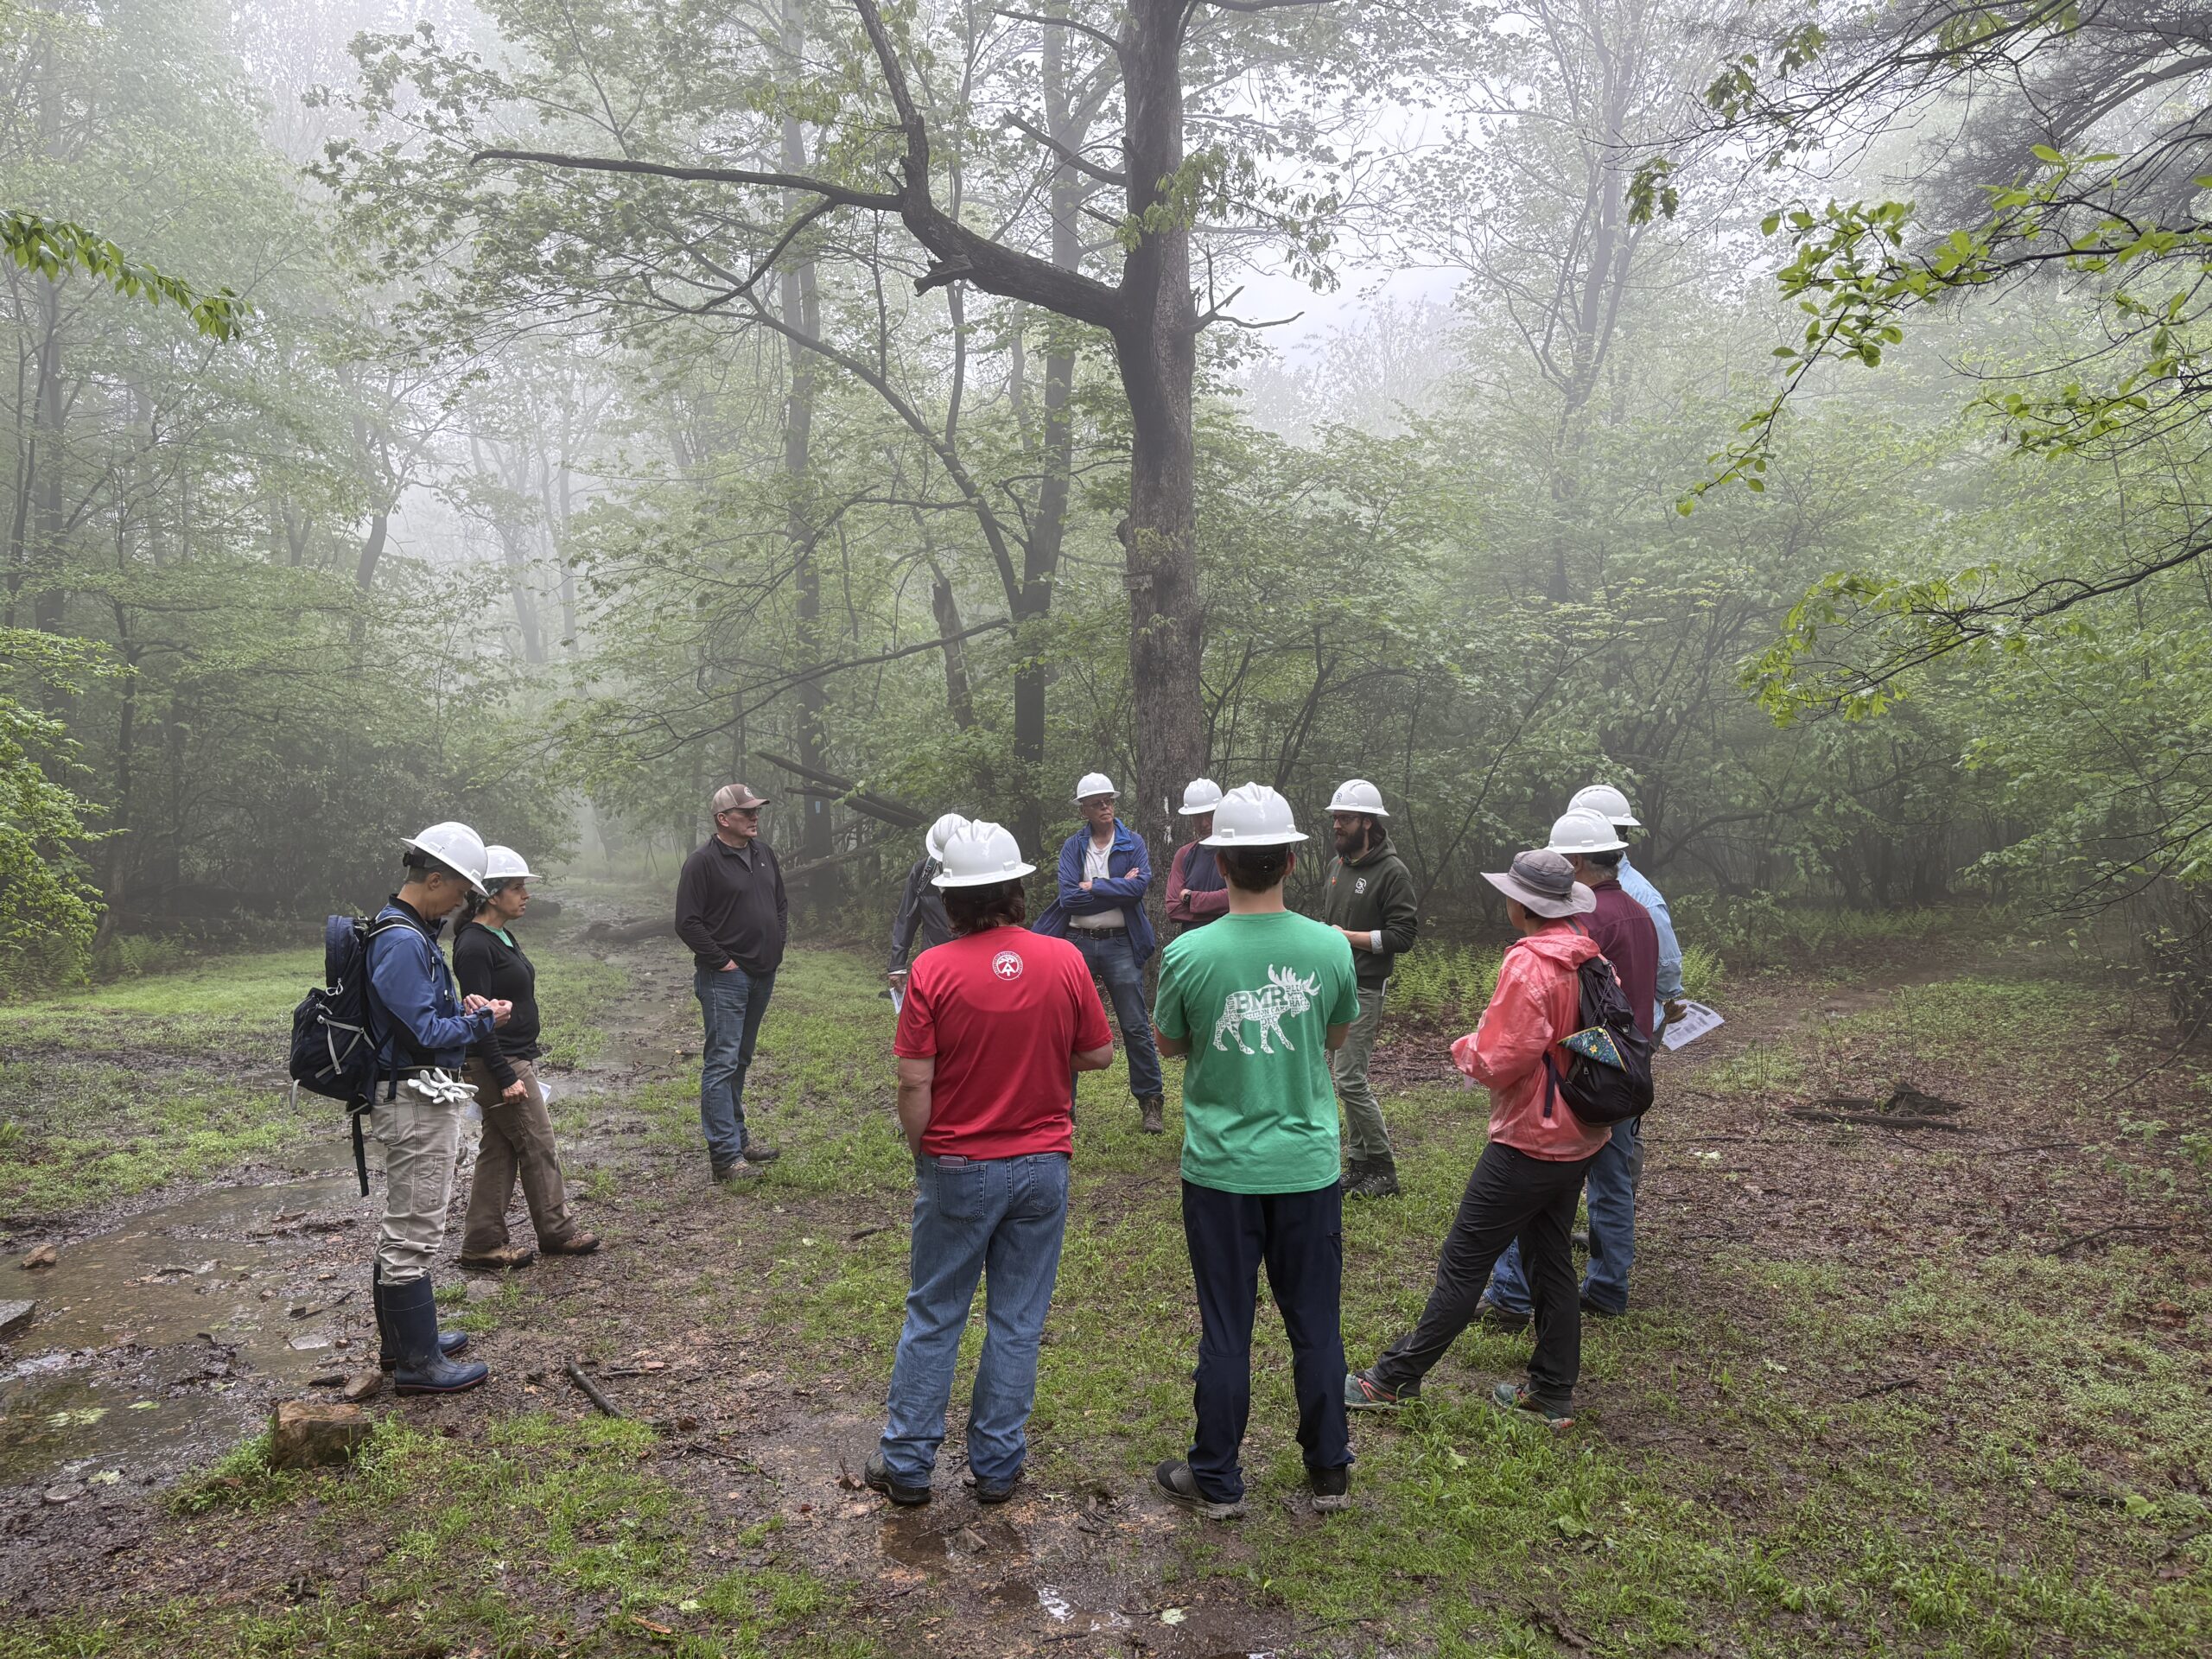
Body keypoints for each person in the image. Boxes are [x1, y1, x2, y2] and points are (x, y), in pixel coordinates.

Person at [866, 822, 1116, 1507]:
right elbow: (1098, 1054)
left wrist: (924, 1151)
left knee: (935, 1313)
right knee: (1016, 1320)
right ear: (1016, 888)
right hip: (1042, 1165)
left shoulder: (932, 970)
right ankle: (998, 1467)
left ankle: (909, 1464)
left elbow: (915, 1081)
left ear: (950, 900)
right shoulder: (1063, 959)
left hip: (958, 1162)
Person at [1346, 848, 1611, 1431]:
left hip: (1530, 1139)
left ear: (1524, 905)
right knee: (1550, 1260)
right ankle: (1550, 1393)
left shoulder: (1529, 966)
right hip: (1579, 1134)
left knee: (1464, 1261)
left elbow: (1500, 1058)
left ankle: (1393, 1379)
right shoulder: (1591, 959)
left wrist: (1462, 1048)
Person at [1151, 784, 1360, 1517]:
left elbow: (1172, 1044)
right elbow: (1333, 1038)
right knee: (1315, 1322)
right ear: (1294, 861)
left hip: (1221, 1171)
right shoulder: (1330, 947)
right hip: (1308, 1165)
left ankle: (1217, 1478)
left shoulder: (1186, 954)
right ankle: (1329, 1467)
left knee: (1226, 1327)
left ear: (1218, 861)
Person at [1479, 807, 1658, 1325]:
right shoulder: (1641, 912)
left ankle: (1511, 1294)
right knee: (1613, 1181)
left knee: (1536, 1183)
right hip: (1626, 1071)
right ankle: (1607, 1285)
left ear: (1576, 861)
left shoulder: (1582, 924)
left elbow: (1553, 1012)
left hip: (1579, 1077)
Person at [364, 821, 511, 1395]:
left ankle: (404, 1342)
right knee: (415, 1230)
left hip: (415, 1090)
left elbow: (419, 1011)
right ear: (435, 878)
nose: (465, 904)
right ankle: (419, 1365)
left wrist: (463, 1005)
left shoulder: (405, 931)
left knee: (405, 1225)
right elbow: (422, 1031)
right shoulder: (401, 939)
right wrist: (481, 1021)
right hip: (415, 1097)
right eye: (462, 891)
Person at [453, 845, 600, 1270]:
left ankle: (481, 1243)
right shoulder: (474, 946)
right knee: (538, 1144)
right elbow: (478, 1021)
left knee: (499, 1151)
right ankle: (558, 1231)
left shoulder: (501, 935)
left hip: (513, 1057)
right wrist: (504, 1074)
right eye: (517, 888)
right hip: (498, 1062)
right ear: (492, 893)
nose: (525, 895)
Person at [1032, 771, 1167, 1134]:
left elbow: (1139, 889)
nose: (1105, 806)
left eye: (1109, 800)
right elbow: (1068, 897)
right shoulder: (1073, 847)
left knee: (1136, 1025)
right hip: (1076, 942)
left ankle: (1151, 1103)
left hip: (1121, 942)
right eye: (1097, 803)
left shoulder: (1132, 841)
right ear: (1084, 811)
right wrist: (1116, 887)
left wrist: (1096, 885)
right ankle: (1063, 1110)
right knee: (1068, 1025)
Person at [675, 783, 787, 1181]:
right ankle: (725, 1156)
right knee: (721, 1063)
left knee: (740, 1058)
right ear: (724, 819)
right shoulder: (702, 863)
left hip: (762, 973)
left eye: (757, 810)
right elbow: (687, 922)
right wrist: (723, 962)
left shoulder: (763, 854)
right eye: (746, 812)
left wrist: (776, 950)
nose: (755, 817)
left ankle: (738, 1140)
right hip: (726, 978)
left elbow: (779, 906)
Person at [1317, 779, 1421, 1200]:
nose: (1337, 825)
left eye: (1344, 819)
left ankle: (1384, 1166)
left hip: (1365, 986)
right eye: (1336, 818)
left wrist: (1349, 938)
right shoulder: (1337, 867)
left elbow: (1404, 935)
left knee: (1350, 1079)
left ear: (1368, 822)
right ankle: (1360, 1167)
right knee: (1345, 1079)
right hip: (1333, 985)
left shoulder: (1392, 872)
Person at [887, 813, 969, 1008]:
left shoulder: (982, 870)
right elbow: (907, 917)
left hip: (973, 963)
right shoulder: (923, 872)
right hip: (935, 963)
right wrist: (897, 964)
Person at [1164, 778, 1229, 936]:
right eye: (1197, 816)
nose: (1204, 823)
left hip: (1230, 941)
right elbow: (1173, 908)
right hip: (1192, 942)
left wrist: (1191, 898)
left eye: (1210, 815)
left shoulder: (1235, 852)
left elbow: (1241, 897)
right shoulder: (1184, 854)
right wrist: (1221, 912)